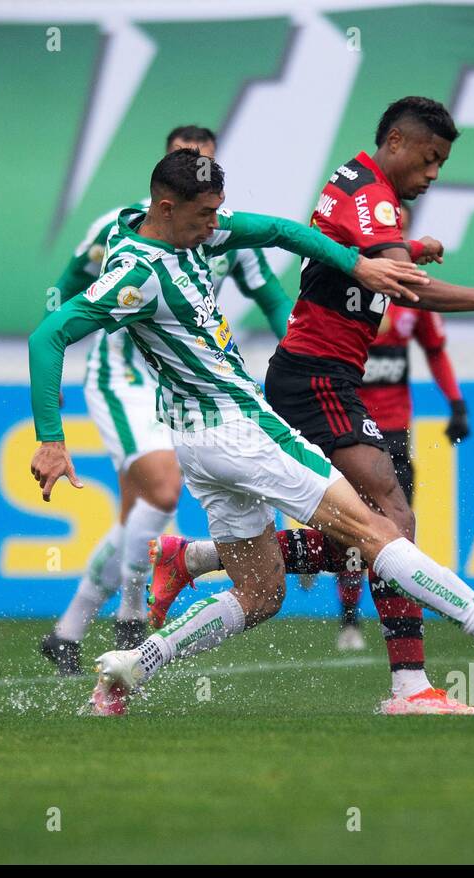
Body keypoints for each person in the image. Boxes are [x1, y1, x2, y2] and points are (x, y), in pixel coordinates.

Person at [27, 149, 474, 717]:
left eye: (218, 212)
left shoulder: (181, 231)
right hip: (238, 430)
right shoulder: (137, 273)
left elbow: (279, 230)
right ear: (168, 208)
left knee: (259, 593)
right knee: (377, 527)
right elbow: (48, 335)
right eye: (204, 215)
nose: (214, 224)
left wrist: (361, 264)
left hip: (200, 445)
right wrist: (52, 439)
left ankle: (133, 667)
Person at [149, 96, 474, 713]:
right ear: (395, 142)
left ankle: (198, 557)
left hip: (323, 378)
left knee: (375, 530)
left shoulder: (367, 190)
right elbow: (409, 292)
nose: (433, 175)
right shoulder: (370, 194)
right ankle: (412, 687)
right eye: (429, 160)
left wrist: (403, 251)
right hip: (315, 378)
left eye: (441, 165)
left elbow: (354, 259)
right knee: (393, 518)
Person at [39, 126, 292, 675]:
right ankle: (131, 619)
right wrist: (49, 355)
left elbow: (271, 295)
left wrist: (298, 358)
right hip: (121, 377)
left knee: (140, 512)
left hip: (180, 384)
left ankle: (68, 630)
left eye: (207, 163)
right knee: (164, 488)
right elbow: (64, 288)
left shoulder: (218, 232)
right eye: (187, 161)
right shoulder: (119, 227)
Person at [334, 201, 467, 650]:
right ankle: (350, 617)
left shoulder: (414, 293)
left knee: (397, 523)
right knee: (352, 523)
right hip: (348, 426)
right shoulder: (348, 280)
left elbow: (435, 349)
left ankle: (399, 628)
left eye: (402, 229)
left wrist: (456, 403)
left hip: (394, 428)